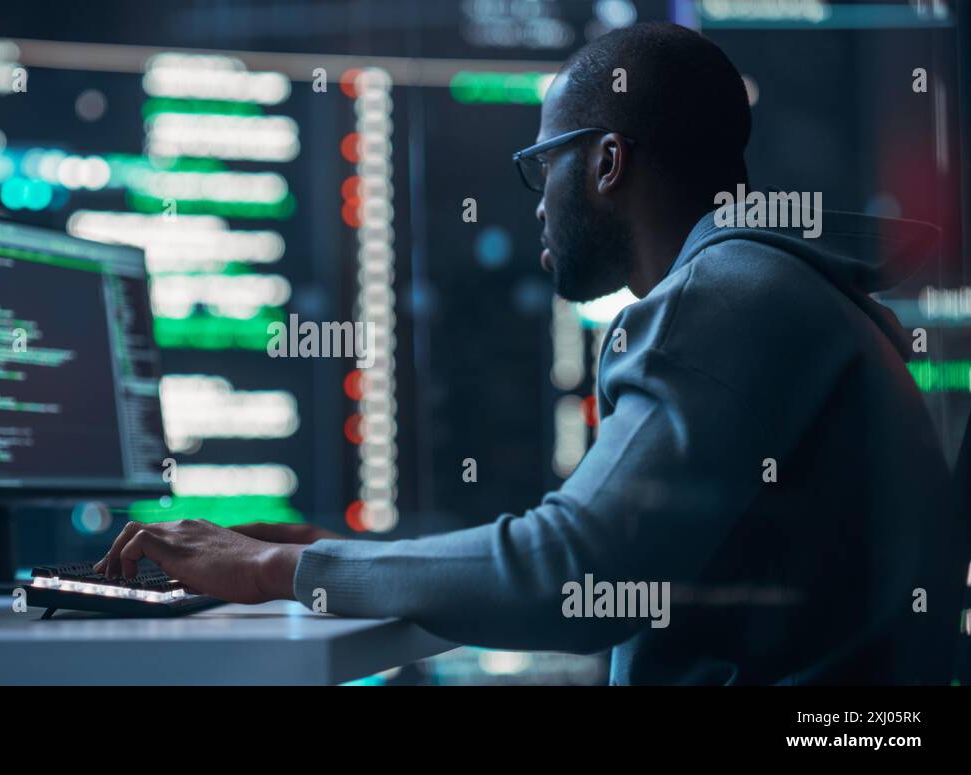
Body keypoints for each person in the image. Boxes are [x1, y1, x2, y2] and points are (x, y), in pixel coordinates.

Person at [96, 22, 967, 684]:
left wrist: (273, 567)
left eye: (539, 165)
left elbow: (573, 571)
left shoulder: (722, 298)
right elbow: (605, 556)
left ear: (606, 162)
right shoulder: (787, 288)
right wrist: (338, 552)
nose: (536, 205)